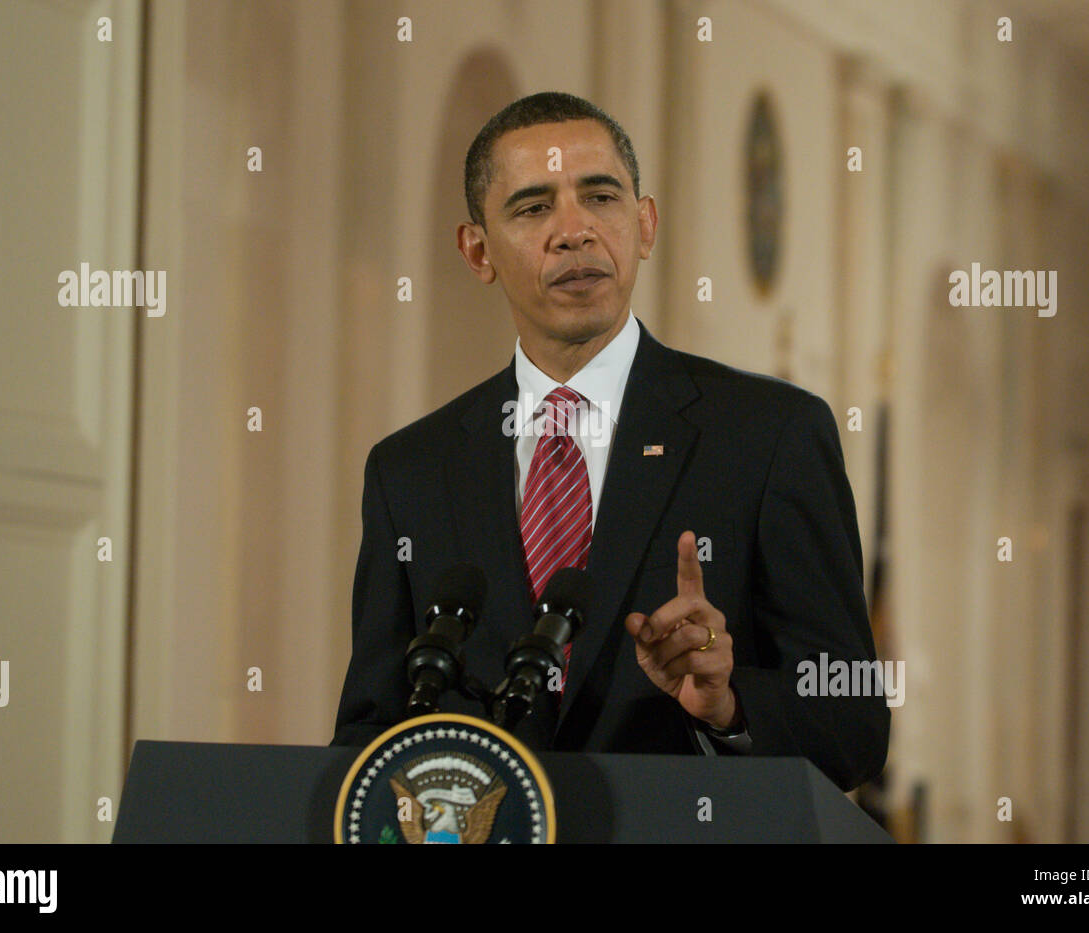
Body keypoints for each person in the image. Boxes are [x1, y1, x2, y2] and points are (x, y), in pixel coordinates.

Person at [331, 91, 888, 791]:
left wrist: (728, 705)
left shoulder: (770, 435)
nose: (575, 231)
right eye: (534, 208)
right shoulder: (410, 471)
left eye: (600, 197)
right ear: (478, 250)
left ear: (645, 224)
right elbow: (369, 730)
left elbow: (855, 723)